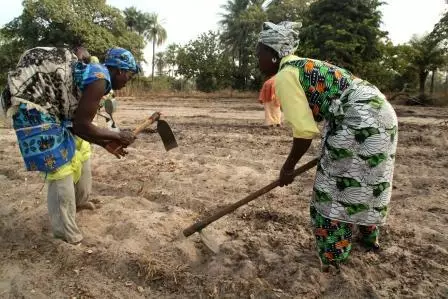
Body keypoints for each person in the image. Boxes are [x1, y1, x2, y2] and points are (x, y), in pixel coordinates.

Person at [256, 22, 398, 270]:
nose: (257, 61)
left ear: (273, 54)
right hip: (382, 112)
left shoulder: (285, 75)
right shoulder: (302, 65)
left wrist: (287, 167)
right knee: (368, 179)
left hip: (358, 119)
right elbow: (318, 112)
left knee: (331, 191)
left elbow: (304, 132)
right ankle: (368, 237)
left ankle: (333, 259)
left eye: (259, 55)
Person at [6, 46, 140, 244]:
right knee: (60, 166)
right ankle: (64, 233)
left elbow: (81, 129)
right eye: (129, 74)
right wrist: (116, 134)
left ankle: (79, 202)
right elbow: (81, 125)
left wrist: (105, 143)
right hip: (34, 109)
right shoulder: (100, 79)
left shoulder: (99, 76)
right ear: (119, 70)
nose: (129, 79)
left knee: (82, 148)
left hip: (55, 109)